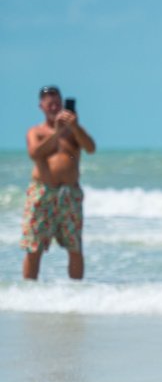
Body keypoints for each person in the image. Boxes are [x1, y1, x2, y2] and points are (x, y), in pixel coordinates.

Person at [22, 85, 96, 280]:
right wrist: (56, 133)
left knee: (75, 247)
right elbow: (34, 153)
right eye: (50, 104)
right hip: (42, 193)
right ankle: (28, 293)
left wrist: (75, 127)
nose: (54, 107)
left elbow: (90, 148)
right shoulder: (36, 131)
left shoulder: (74, 132)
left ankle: (76, 294)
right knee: (34, 247)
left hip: (69, 193)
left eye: (57, 103)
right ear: (41, 107)